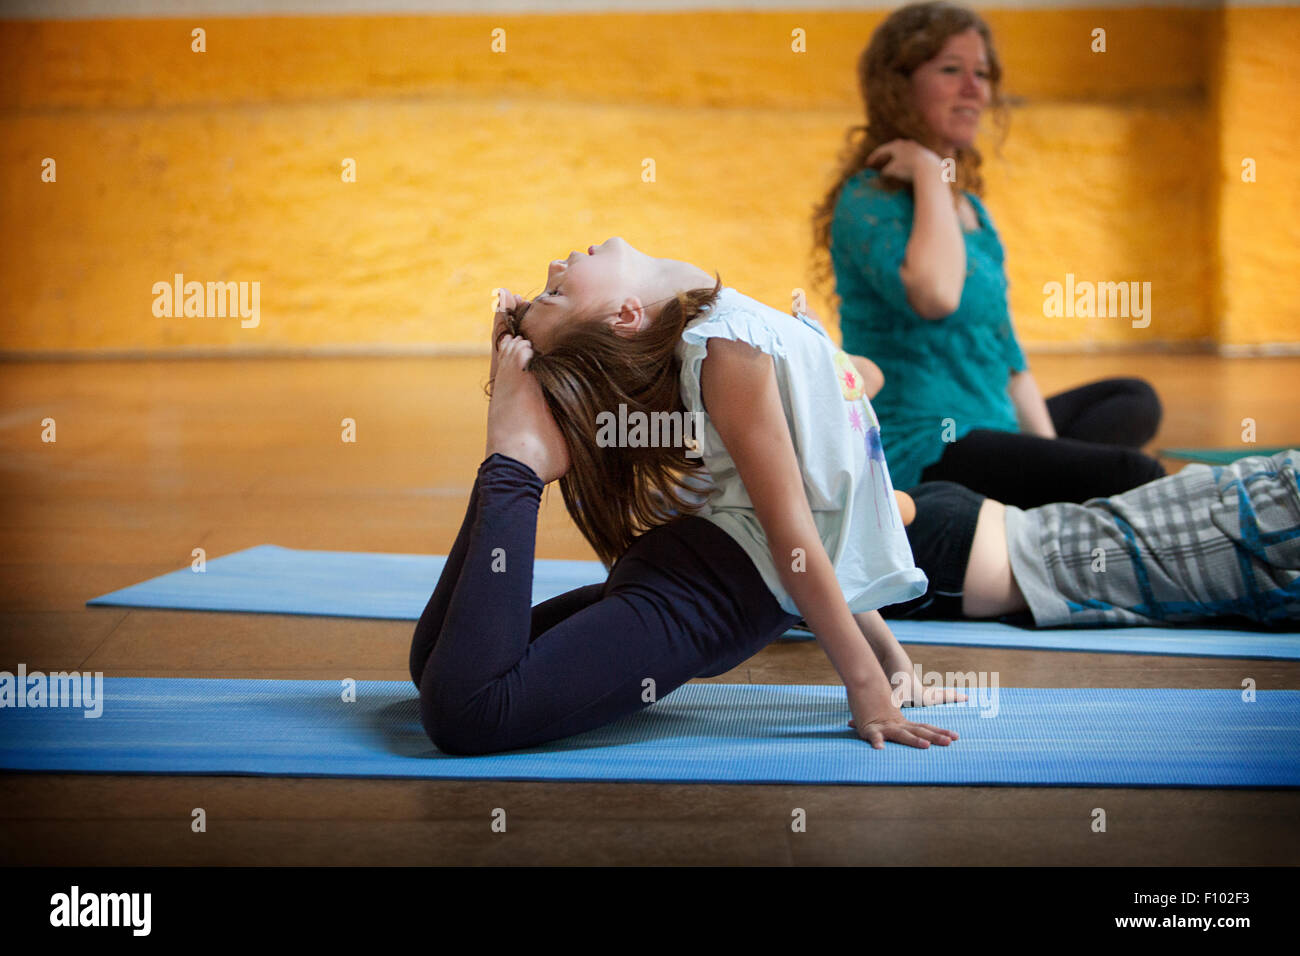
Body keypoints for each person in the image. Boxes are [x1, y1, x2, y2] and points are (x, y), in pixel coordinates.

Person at [408, 237, 964, 756]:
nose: (557, 266)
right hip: (710, 592)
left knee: (439, 666)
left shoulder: (731, 326)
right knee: (467, 709)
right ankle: (516, 462)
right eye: (555, 293)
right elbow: (797, 537)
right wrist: (870, 685)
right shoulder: (727, 345)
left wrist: (895, 666)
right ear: (626, 315)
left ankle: (512, 459)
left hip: (699, 574)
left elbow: (831, 521)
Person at [810, 1, 1165, 507]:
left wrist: (1049, 461)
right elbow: (936, 296)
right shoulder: (867, 200)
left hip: (991, 418)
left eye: (982, 73)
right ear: (898, 84)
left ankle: (1044, 504)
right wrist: (933, 174)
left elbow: (1010, 361)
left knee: (1132, 400)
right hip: (925, 443)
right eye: (952, 70)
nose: (975, 89)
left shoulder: (972, 209)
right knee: (1136, 472)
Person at [881, 451, 1300, 628]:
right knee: (828, 551)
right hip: (955, 552)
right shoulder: (1275, 532)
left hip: (969, 531)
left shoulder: (1265, 482)